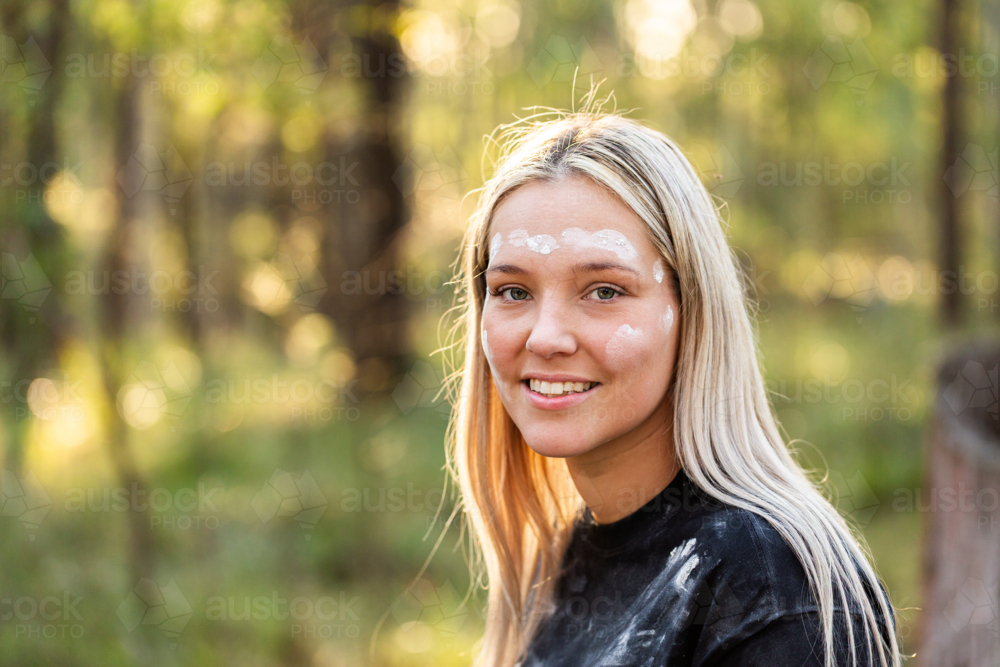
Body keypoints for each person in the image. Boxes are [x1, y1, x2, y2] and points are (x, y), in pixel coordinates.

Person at [443, 94, 902, 667]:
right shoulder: (564, 559)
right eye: (514, 292)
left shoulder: (773, 591)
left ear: (692, 309)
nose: (545, 337)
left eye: (604, 291)